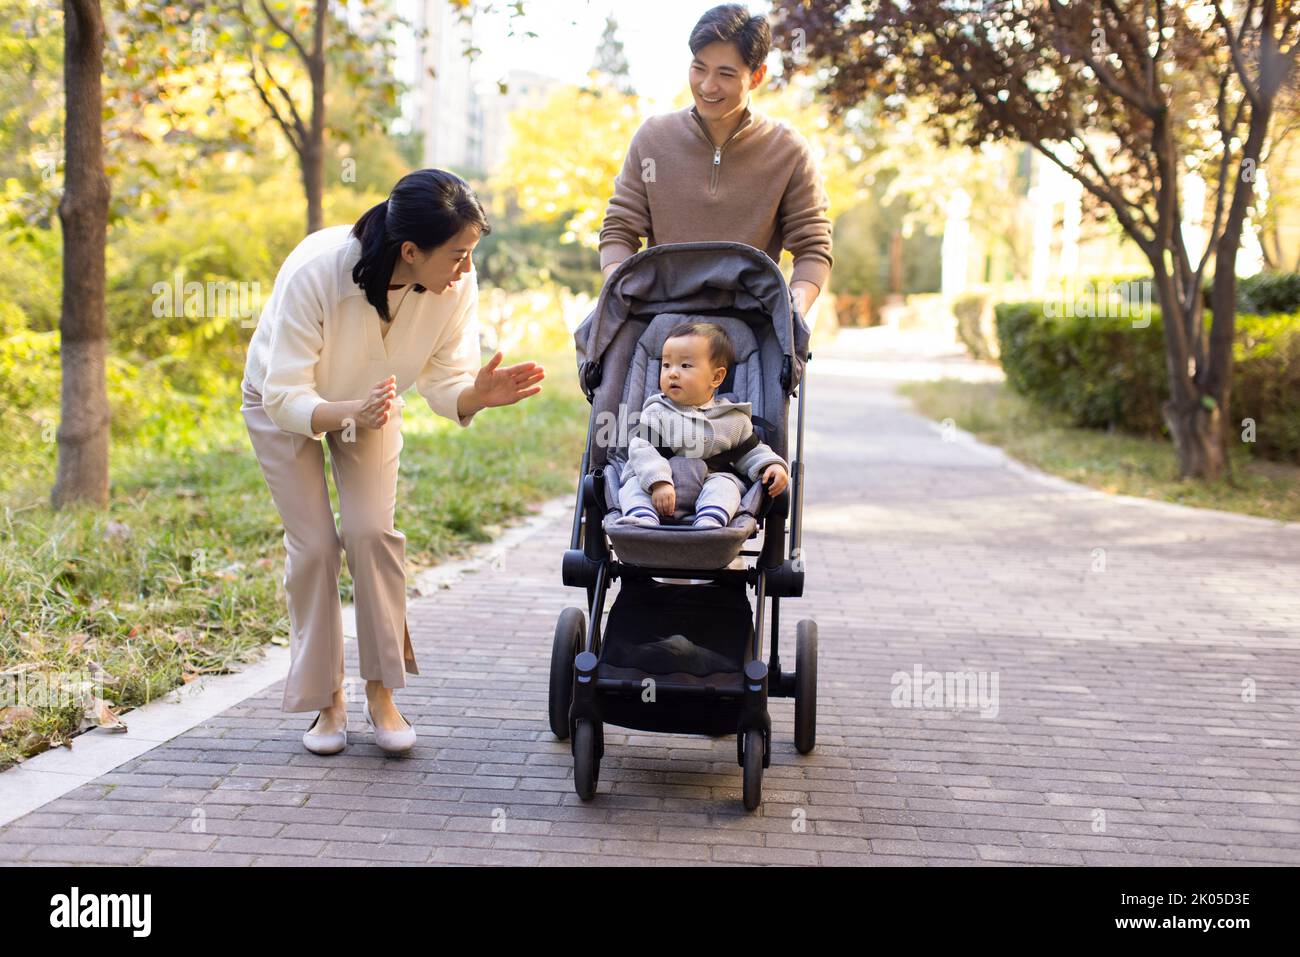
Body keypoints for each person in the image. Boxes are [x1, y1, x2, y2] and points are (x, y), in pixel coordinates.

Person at [240, 169, 545, 755]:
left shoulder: (456, 284)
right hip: (284, 403)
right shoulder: (319, 272)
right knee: (317, 547)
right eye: (457, 254)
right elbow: (283, 393)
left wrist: (474, 395)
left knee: (371, 533)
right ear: (411, 251)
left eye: (470, 251)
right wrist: (344, 408)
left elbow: (446, 378)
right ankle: (326, 702)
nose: (466, 267)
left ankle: (381, 693)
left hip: (374, 404)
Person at [598, 3, 833, 318]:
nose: (707, 86)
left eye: (725, 74)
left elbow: (813, 246)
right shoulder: (653, 139)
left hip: (753, 325)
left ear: (757, 76)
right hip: (661, 322)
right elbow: (619, 229)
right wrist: (619, 287)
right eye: (699, 68)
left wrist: (794, 308)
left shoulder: (788, 150)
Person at [617, 322, 788, 528]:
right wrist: (658, 481)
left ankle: (711, 520)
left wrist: (772, 465)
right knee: (633, 484)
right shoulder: (655, 411)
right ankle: (642, 517)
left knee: (727, 486)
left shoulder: (732, 419)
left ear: (716, 377)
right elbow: (642, 449)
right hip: (657, 487)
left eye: (685, 366)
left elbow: (751, 452)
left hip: (708, 482)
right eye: (666, 365)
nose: (672, 373)